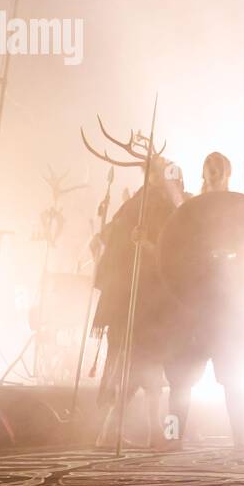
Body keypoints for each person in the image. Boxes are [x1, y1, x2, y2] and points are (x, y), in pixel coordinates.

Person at [159, 151, 244, 450]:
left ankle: (241, 439)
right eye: (208, 167)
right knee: (181, 377)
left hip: (228, 303)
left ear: (226, 172)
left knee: (233, 375)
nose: (212, 172)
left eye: (217, 167)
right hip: (194, 302)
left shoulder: (238, 207)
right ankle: (172, 437)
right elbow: (179, 239)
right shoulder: (192, 207)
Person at [91, 156, 184, 449]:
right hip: (137, 299)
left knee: (146, 369)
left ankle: (126, 432)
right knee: (137, 368)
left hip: (150, 299)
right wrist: (139, 244)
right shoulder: (140, 205)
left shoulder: (162, 204)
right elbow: (111, 240)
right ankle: (113, 433)